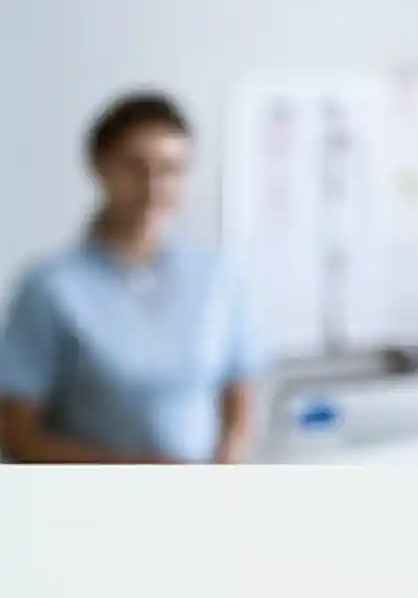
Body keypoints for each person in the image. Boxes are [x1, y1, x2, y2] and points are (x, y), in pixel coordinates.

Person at [0, 92, 265, 463]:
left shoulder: (218, 276)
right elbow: (17, 434)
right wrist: (133, 475)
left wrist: (221, 478)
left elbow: (241, 393)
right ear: (100, 165)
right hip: (92, 505)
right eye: (135, 167)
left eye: (171, 169)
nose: (153, 188)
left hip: (203, 501)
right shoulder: (49, 288)